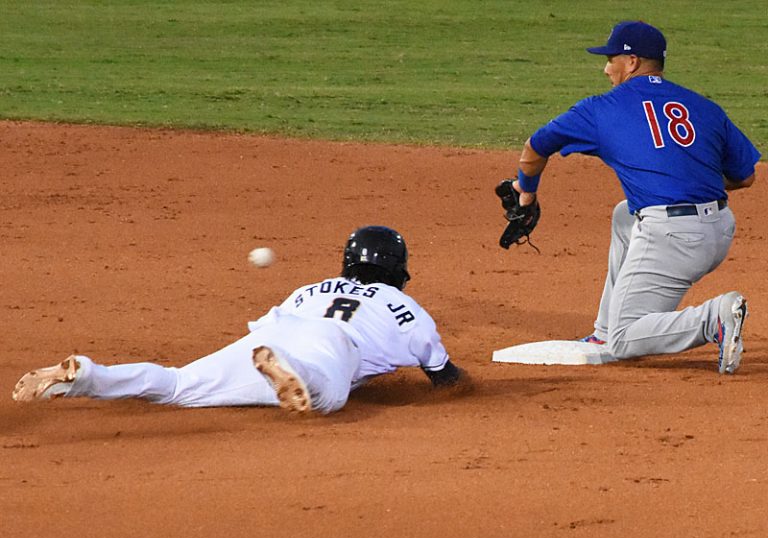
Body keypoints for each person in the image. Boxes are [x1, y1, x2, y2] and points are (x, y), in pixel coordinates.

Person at [500, 21, 760, 374]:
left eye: (611, 59)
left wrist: (525, 192)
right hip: (719, 228)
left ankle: (712, 318)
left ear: (632, 61)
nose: (606, 69)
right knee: (625, 215)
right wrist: (688, 178)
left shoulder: (600, 109)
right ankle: (602, 332)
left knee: (625, 340)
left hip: (674, 238)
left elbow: (536, 147)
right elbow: (746, 177)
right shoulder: (703, 106)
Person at [13, 225, 465, 413]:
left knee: (176, 386)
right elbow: (444, 378)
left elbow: (274, 321)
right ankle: (294, 374)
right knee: (327, 396)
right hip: (332, 345)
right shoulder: (406, 308)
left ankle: (88, 375)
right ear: (396, 268)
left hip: (274, 335)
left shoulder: (312, 287)